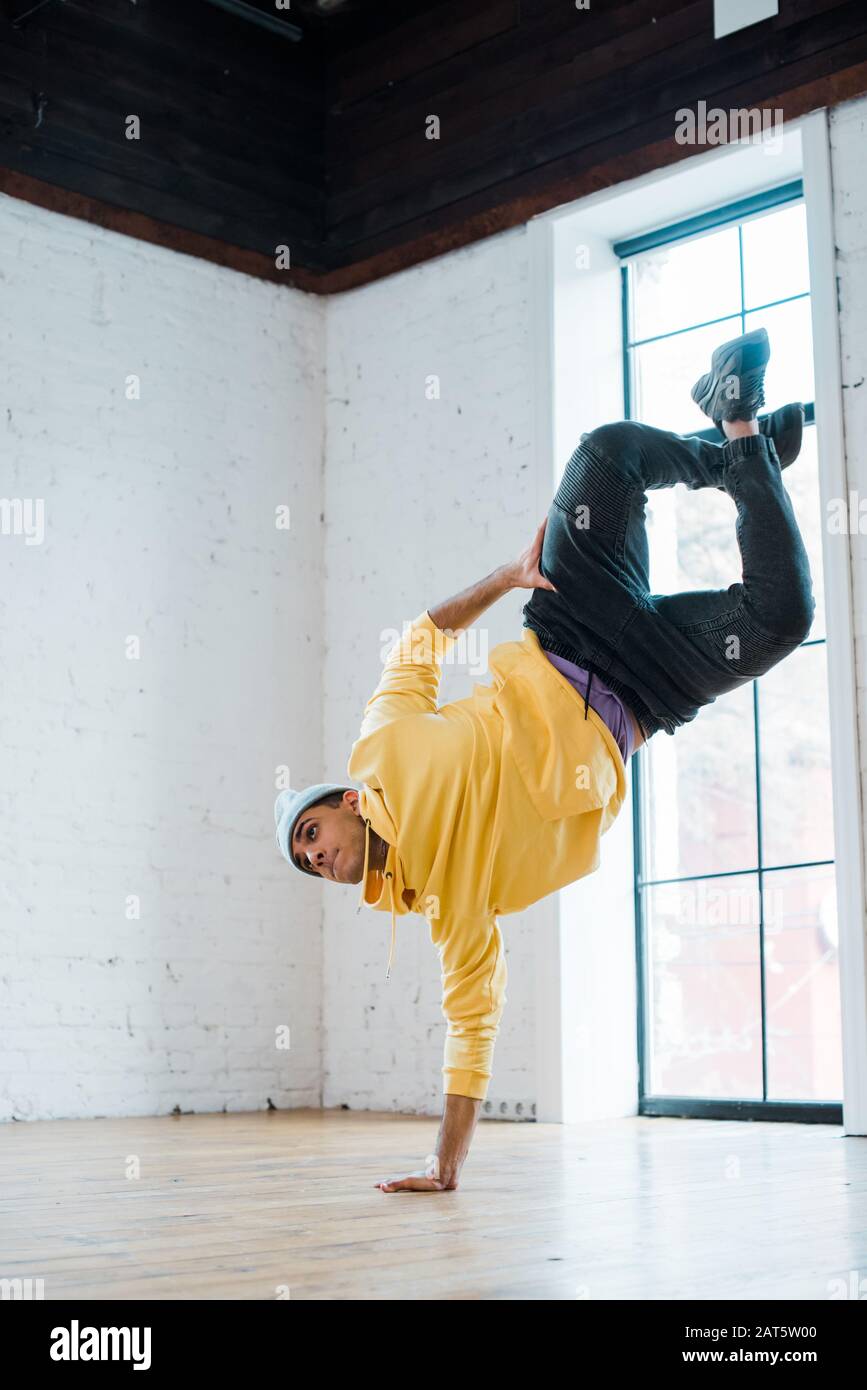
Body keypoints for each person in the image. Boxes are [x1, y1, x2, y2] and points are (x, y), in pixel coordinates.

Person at [274, 327, 815, 1193]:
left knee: (604, 453)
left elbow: (418, 640)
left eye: (309, 832)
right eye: (307, 864)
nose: (317, 856)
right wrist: (444, 1165)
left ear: (338, 799)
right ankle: (744, 435)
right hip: (644, 695)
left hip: (568, 621)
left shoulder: (378, 744)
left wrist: (502, 576)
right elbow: (470, 1026)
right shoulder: (447, 906)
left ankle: (722, 457)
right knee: (782, 620)